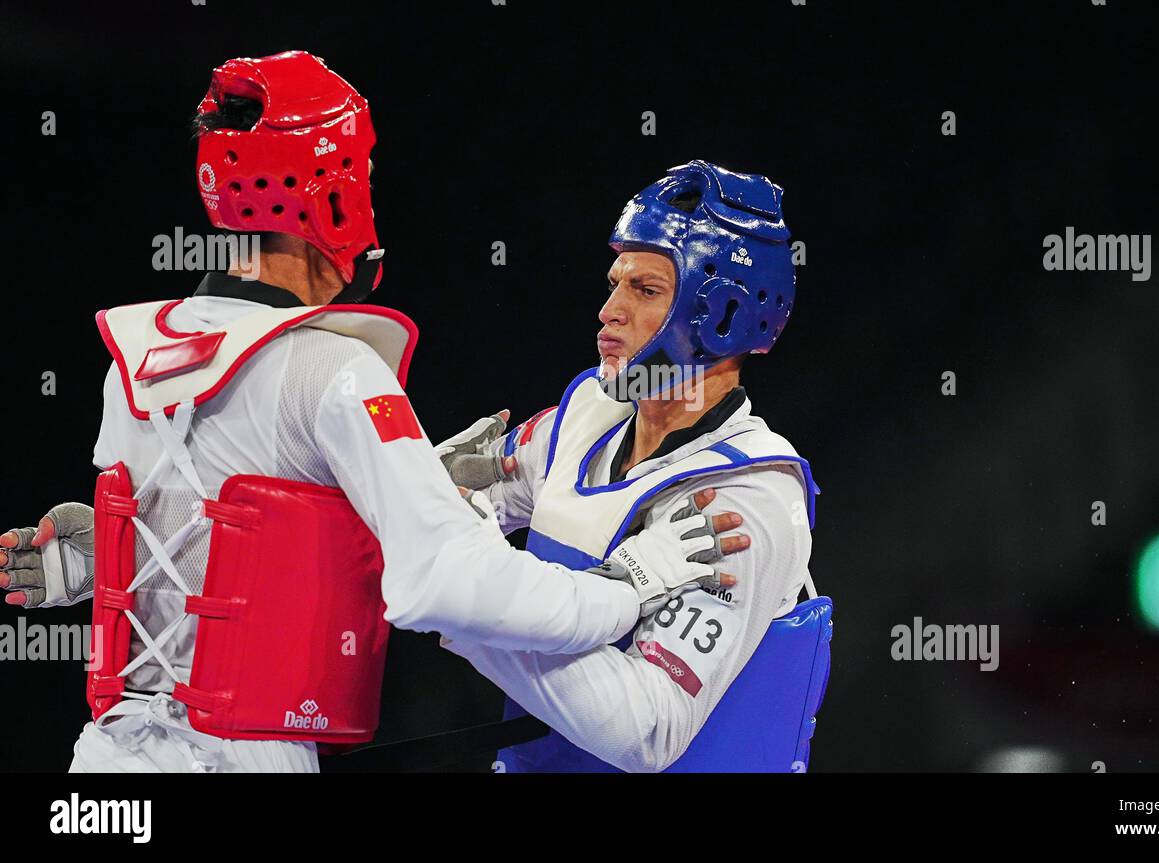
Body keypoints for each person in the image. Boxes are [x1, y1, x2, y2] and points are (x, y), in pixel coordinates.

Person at [0, 54, 744, 773]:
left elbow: (222, 525)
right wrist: (628, 584)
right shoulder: (336, 368)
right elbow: (445, 580)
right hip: (236, 757)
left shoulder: (133, 354)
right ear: (331, 190)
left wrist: (100, 558)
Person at [438, 161, 832, 772]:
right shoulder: (584, 416)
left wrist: (466, 603)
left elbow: (646, 730)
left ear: (721, 314)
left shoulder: (745, 496)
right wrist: (423, 491)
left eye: (645, 291)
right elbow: (442, 521)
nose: (608, 311)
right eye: (614, 283)